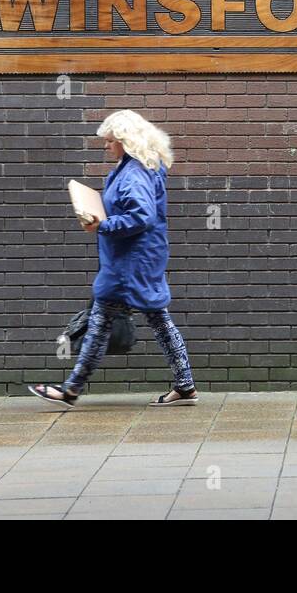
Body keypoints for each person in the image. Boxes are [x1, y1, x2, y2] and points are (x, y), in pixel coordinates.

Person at [29, 110, 199, 410]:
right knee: (157, 319)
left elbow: (141, 216)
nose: (106, 146)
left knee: (100, 322)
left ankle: (71, 390)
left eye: (109, 141)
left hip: (128, 263)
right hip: (142, 258)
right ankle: (185, 385)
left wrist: (101, 225)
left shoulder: (133, 173)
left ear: (124, 140)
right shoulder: (142, 165)